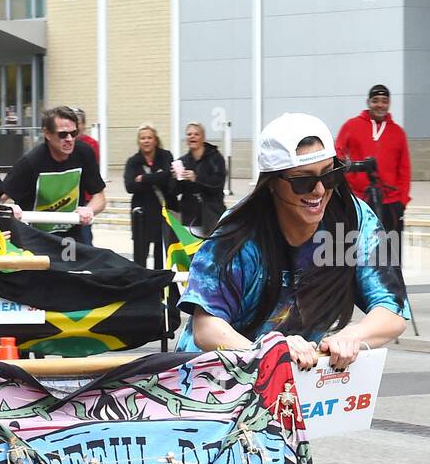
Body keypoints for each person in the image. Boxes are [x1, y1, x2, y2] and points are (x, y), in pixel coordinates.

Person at [176, 112, 410, 369]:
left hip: (293, 379)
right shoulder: (239, 232)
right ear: (272, 183)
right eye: (303, 181)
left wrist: (350, 336)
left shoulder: (353, 220)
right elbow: (206, 327)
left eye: (329, 175)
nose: (319, 190)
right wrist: (268, 351)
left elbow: (392, 310)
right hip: (210, 380)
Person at [1, 105, 108, 244]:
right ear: (47, 133)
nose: (69, 139)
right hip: (35, 238)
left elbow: (100, 197)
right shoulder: (30, 162)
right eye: (62, 134)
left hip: (72, 236)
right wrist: (8, 209)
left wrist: (89, 210)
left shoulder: (84, 153)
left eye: (74, 133)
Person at [336, 84, 412, 242]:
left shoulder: (398, 132)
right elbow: (338, 154)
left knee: (391, 250)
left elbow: (404, 169)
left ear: (389, 103)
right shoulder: (351, 125)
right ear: (368, 102)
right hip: (359, 200)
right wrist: (348, 185)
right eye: (375, 100)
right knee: (357, 247)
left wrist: (402, 201)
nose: (380, 105)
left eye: (384, 101)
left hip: (390, 202)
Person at [123, 124, 174, 269]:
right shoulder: (133, 161)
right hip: (142, 215)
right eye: (143, 138)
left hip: (162, 212)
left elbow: (167, 177)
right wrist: (156, 176)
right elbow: (130, 186)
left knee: (161, 258)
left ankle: (160, 289)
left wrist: (144, 178)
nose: (146, 141)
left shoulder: (165, 156)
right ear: (138, 141)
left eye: (149, 138)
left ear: (155, 140)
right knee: (140, 258)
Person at [171, 122, 226, 238]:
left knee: (211, 253)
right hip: (190, 217)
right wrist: (175, 178)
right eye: (189, 134)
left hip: (212, 215)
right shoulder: (183, 161)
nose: (192, 136)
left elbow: (217, 184)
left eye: (196, 134)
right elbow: (175, 191)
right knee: (192, 254)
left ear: (203, 138)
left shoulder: (216, 158)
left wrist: (196, 178)